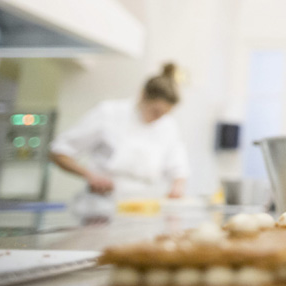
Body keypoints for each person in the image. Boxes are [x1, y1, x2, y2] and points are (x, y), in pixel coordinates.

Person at [50, 63, 190, 200]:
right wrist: (90, 175)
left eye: (164, 114)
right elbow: (59, 151)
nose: (158, 118)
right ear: (143, 95)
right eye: (155, 112)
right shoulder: (109, 112)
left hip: (145, 203)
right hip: (102, 202)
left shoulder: (168, 125)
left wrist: (177, 186)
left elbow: (178, 165)